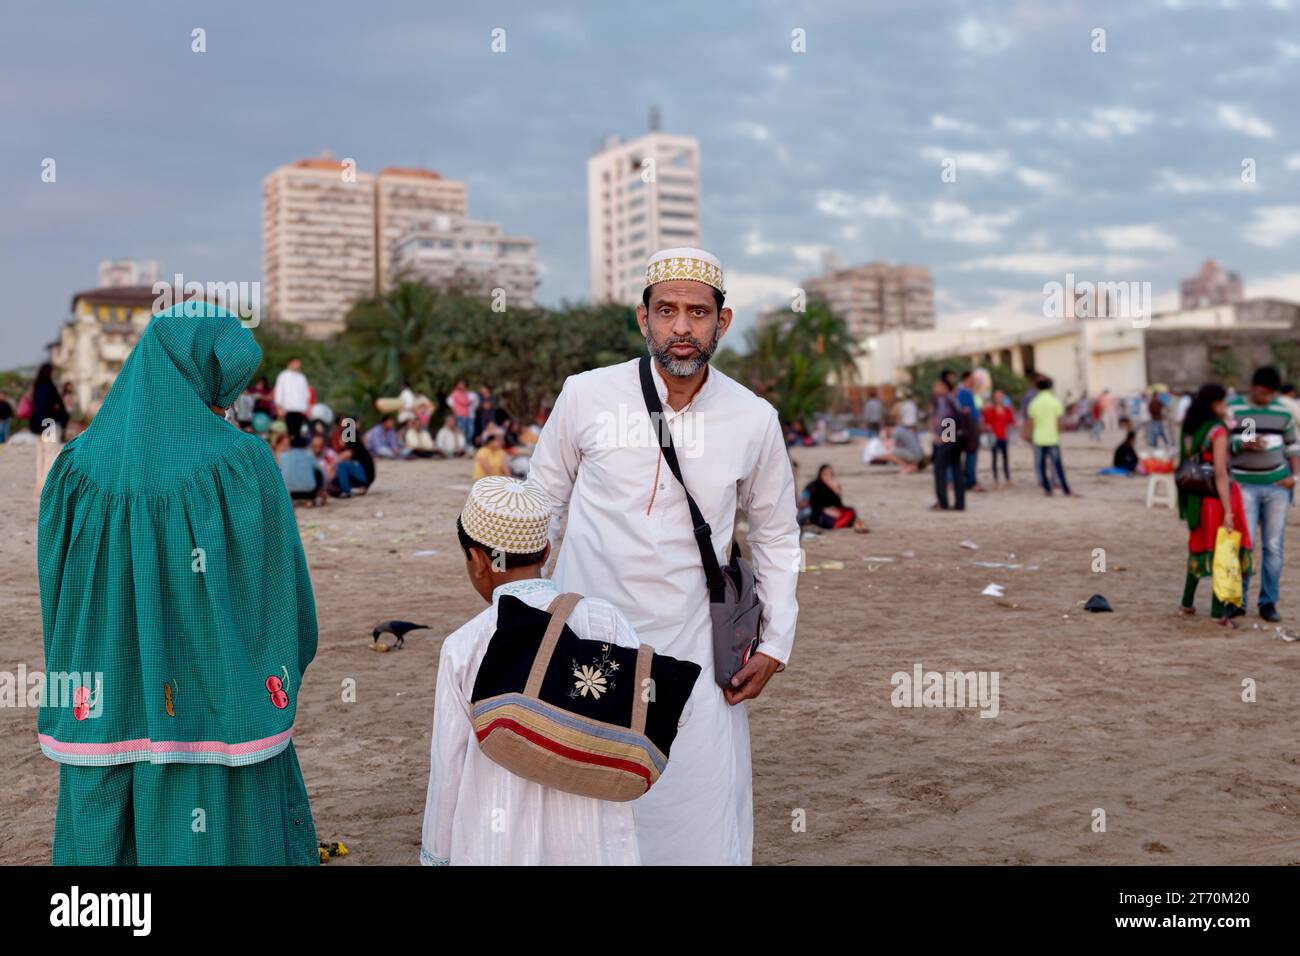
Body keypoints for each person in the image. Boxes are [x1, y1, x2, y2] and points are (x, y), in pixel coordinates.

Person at [527, 246, 799, 865]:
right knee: (583, 807)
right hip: (586, 644)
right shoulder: (585, 396)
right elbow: (541, 504)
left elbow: (778, 535)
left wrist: (778, 641)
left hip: (695, 654)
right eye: (668, 311)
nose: (683, 328)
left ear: (721, 323)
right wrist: (520, 605)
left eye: (698, 313)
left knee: (693, 811)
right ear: (642, 318)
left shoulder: (754, 418)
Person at [37, 302, 318, 864]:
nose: (224, 406)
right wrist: (281, 664)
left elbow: (56, 593)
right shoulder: (244, 462)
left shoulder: (73, 469)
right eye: (222, 389)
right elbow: (282, 591)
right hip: (224, 704)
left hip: (105, 697)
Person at [421, 477, 651, 865]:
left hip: (497, 845)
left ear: (477, 560)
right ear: (545, 551)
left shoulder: (465, 645)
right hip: (595, 841)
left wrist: (436, 856)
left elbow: (449, 767)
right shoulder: (606, 621)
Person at [1227, 366, 1300, 622]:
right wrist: (1240, 444)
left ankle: (1268, 602)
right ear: (1253, 387)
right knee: (1244, 544)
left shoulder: (1283, 411)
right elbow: (1219, 442)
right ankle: (1237, 601)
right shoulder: (1234, 409)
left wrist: (1295, 477)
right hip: (1243, 485)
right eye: (1262, 393)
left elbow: (1293, 446)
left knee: (1273, 547)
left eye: (1270, 394)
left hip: (1277, 486)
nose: (1266, 398)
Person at [1179, 384, 1253, 626]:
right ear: (1215, 404)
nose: (1226, 407)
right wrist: (1229, 511)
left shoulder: (1190, 428)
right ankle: (1217, 611)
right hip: (1215, 498)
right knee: (1223, 550)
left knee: (1198, 547)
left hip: (1194, 496)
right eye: (1223, 402)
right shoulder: (1217, 431)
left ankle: (1186, 603)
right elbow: (1221, 473)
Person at [30, 363, 70, 503]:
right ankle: (43, 487)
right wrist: (57, 409)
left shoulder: (37, 387)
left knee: (40, 456)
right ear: (49, 372)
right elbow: (56, 406)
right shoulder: (50, 387)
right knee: (51, 455)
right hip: (49, 424)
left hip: (38, 425)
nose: (54, 374)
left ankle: (38, 486)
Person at [1027, 376, 1072, 496]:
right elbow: (1058, 422)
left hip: (1038, 437)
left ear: (1037, 387)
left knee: (1041, 465)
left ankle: (1047, 489)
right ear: (1050, 387)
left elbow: (1031, 423)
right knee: (1057, 464)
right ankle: (1065, 489)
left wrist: (1029, 436)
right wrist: (1057, 433)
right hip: (1052, 438)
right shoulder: (1055, 401)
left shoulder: (1034, 403)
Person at [930, 372, 965, 511]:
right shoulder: (953, 399)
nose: (935, 387)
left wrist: (943, 438)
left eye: (937, 385)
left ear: (944, 387)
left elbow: (948, 418)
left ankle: (943, 502)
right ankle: (959, 503)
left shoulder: (943, 400)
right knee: (957, 471)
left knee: (940, 471)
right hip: (956, 440)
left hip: (946, 441)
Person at [806, 464, 869, 529]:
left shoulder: (833, 485)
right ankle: (837, 524)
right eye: (825, 474)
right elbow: (813, 504)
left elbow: (838, 504)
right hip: (819, 511)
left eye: (830, 474)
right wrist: (826, 510)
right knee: (824, 519)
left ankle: (839, 523)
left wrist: (836, 490)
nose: (828, 476)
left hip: (833, 509)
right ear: (820, 474)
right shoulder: (815, 485)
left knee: (851, 511)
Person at [280, 432, 326, 506]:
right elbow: (320, 471)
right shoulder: (309, 455)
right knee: (317, 472)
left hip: (291, 492)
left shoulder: (283, 456)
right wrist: (323, 488)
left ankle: (293, 500)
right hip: (309, 492)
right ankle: (310, 499)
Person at [957, 370, 984, 491]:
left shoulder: (971, 393)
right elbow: (965, 411)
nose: (974, 381)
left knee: (970, 455)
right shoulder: (963, 393)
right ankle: (970, 481)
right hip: (968, 429)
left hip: (970, 427)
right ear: (967, 379)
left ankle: (968, 479)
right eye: (972, 378)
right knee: (970, 454)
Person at [983, 389, 1015, 484]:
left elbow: (1012, 421)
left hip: (1004, 436)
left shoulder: (1007, 409)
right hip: (994, 437)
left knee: (1005, 458)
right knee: (995, 458)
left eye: (1001, 396)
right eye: (997, 396)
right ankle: (996, 478)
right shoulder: (991, 409)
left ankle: (1007, 478)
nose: (999, 398)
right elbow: (986, 421)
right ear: (994, 397)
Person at [447, 380, 474, 447]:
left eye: (463, 384)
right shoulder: (455, 393)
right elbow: (465, 402)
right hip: (460, 415)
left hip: (467, 415)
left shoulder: (465, 393)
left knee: (470, 431)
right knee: (461, 432)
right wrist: (469, 401)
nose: (462, 385)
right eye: (460, 384)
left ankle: (467, 445)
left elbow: (467, 401)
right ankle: (462, 446)